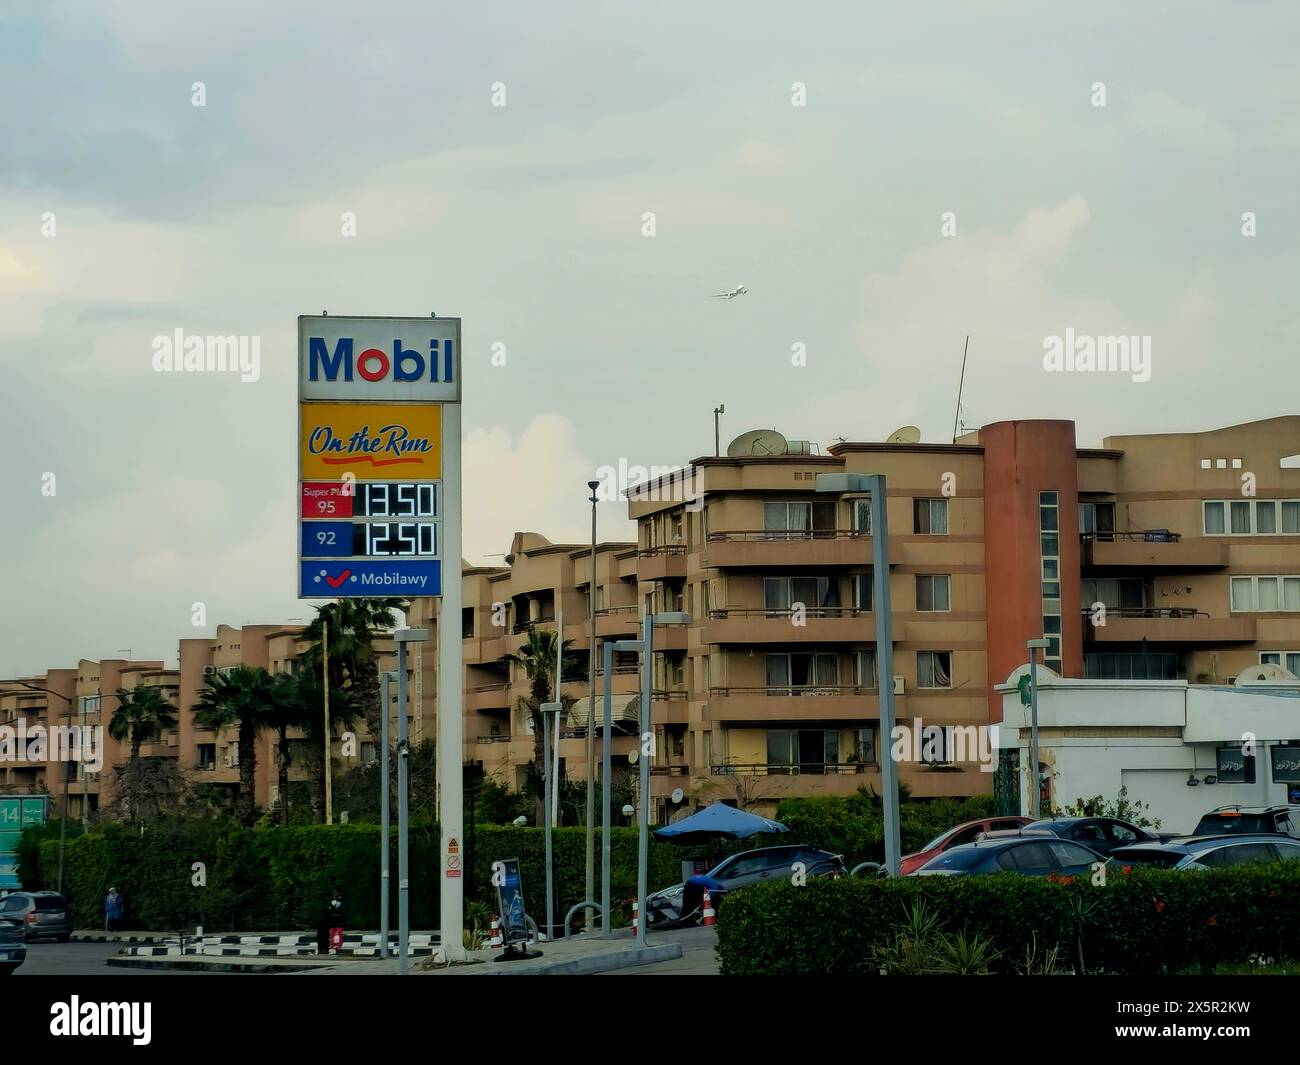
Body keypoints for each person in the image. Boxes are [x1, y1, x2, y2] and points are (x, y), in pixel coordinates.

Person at [328, 888, 345, 955]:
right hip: (333, 919)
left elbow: (342, 909)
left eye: (335, 893)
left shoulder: (341, 900)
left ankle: (339, 945)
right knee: (331, 933)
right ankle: (332, 944)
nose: (334, 894)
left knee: (339, 932)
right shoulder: (331, 902)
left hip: (339, 919)